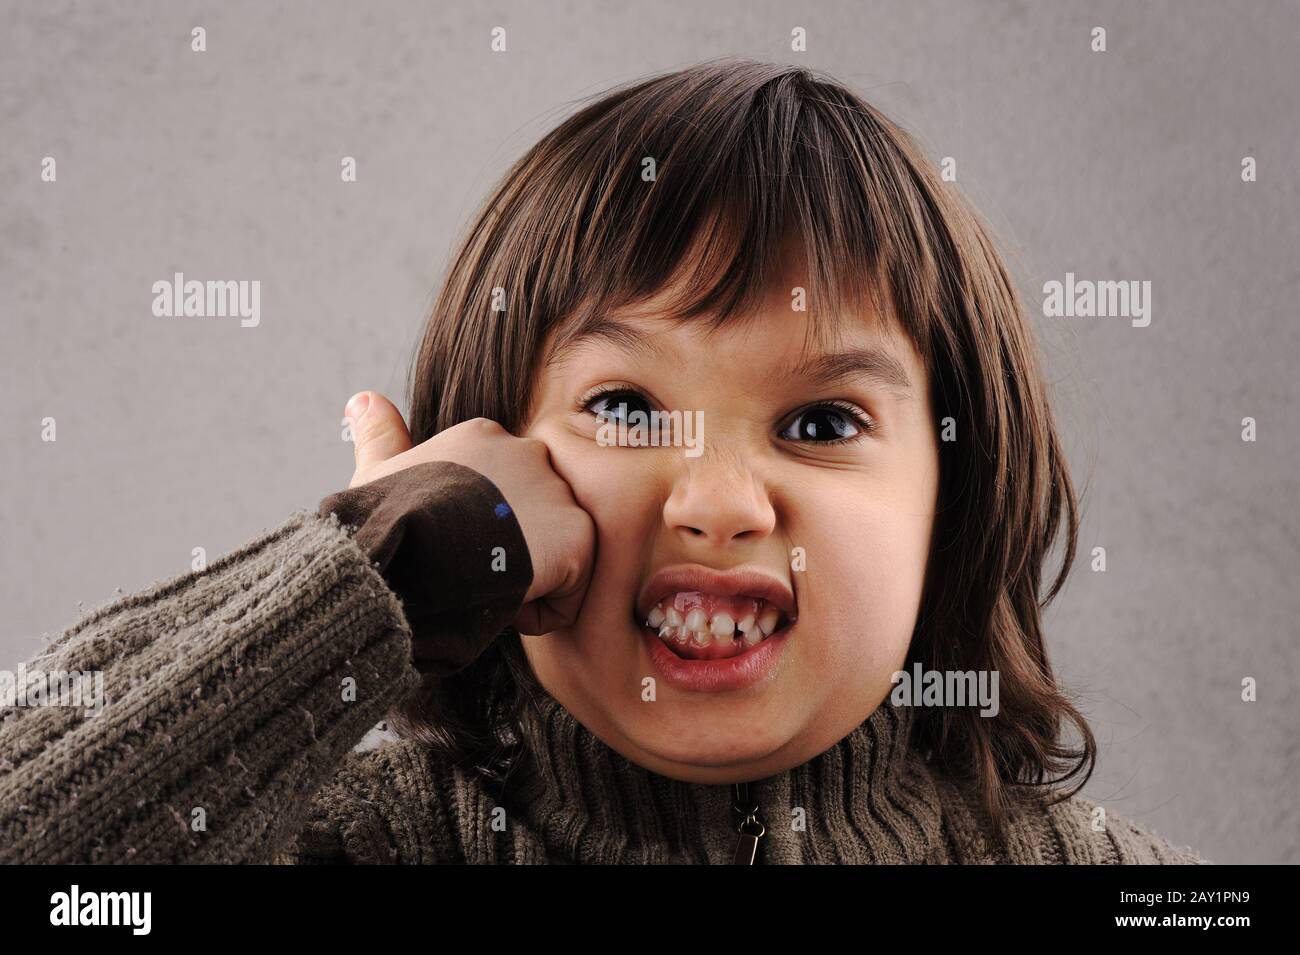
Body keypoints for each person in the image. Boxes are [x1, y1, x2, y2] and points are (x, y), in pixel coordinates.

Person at [0, 58, 1206, 864]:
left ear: (956, 498)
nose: (721, 502)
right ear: (487, 459)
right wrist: (360, 587)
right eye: (626, 407)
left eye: (823, 424)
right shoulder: (347, 847)